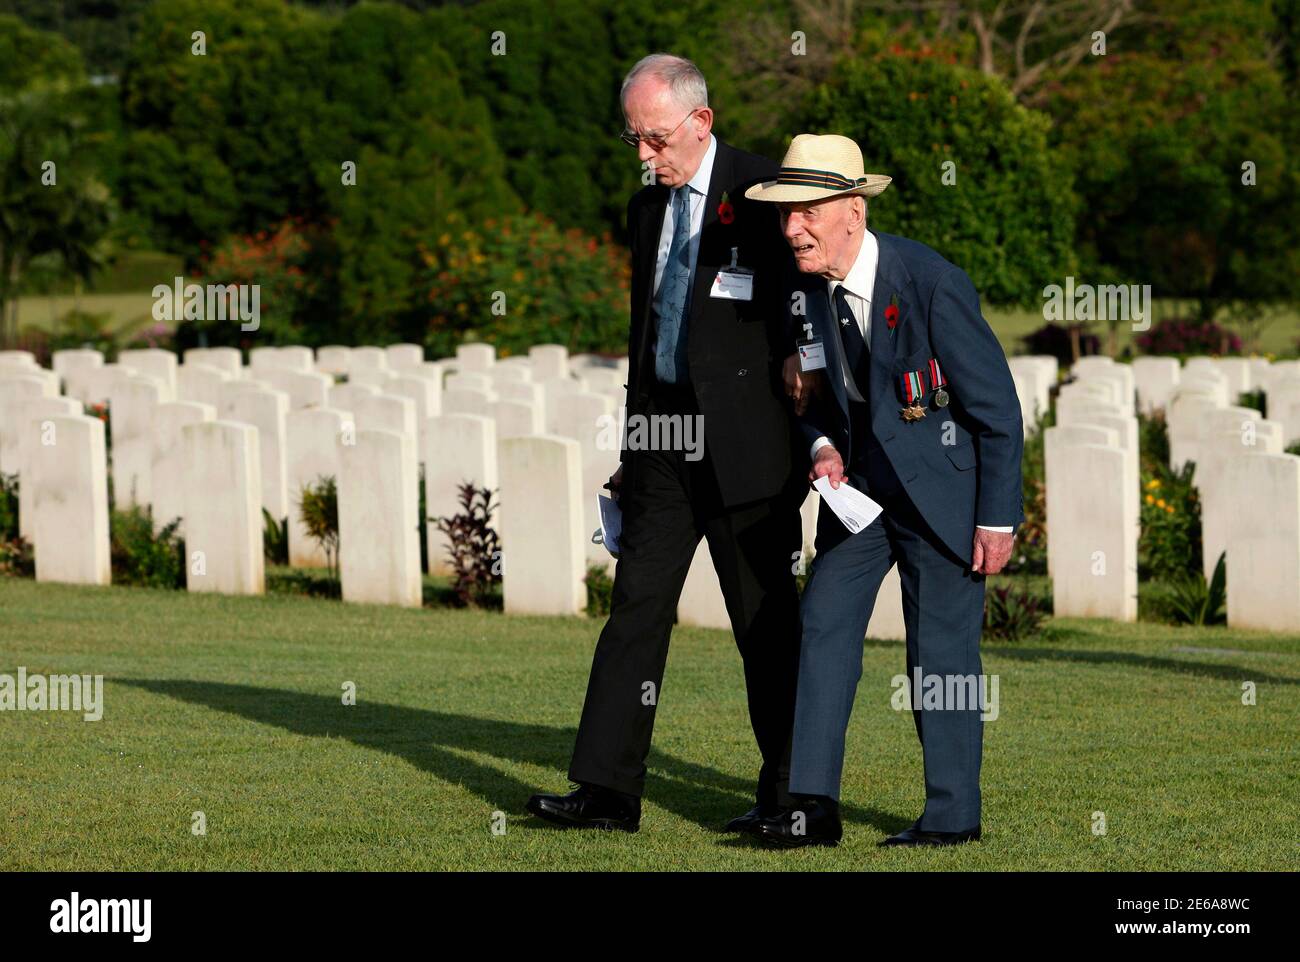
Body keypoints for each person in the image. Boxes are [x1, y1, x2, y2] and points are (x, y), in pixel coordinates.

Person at [525, 54, 809, 833]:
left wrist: (801, 358)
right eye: (635, 141)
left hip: (751, 447)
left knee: (765, 624)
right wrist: (633, 443)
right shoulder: (646, 208)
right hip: (661, 443)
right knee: (635, 611)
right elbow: (647, 328)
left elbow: (811, 287)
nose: (646, 157)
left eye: (656, 140)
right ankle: (607, 792)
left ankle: (790, 798)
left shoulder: (764, 192)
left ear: (701, 121)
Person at [742, 134, 1024, 847]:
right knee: (823, 626)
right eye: (785, 215)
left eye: (805, 213)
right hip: (860, 496)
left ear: (852, 213)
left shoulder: (930, 284)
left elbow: (997, 410)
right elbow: (807, 394)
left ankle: (953, 815)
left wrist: (997, 520)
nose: (791, 229)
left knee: (940, 657)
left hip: (944, 499)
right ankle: (812, 807)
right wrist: (822, 444)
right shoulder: (801, 287)